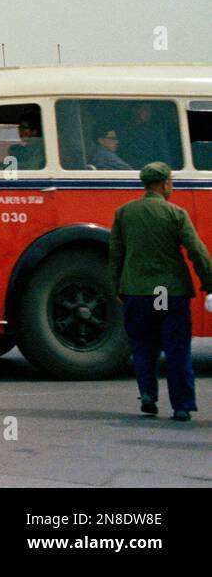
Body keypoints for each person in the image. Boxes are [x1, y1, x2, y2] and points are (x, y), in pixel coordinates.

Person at [109, 162, 212, 421]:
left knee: (143, 346)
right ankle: (182, 405)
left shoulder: (124, 213)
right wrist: (209, 283)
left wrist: (118, 288)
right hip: (167, 293)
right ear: (165, 184)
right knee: (176, 348)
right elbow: (197, 252)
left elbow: (116, 256)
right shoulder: (175, 213)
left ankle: (147, 395)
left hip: (137, 293)